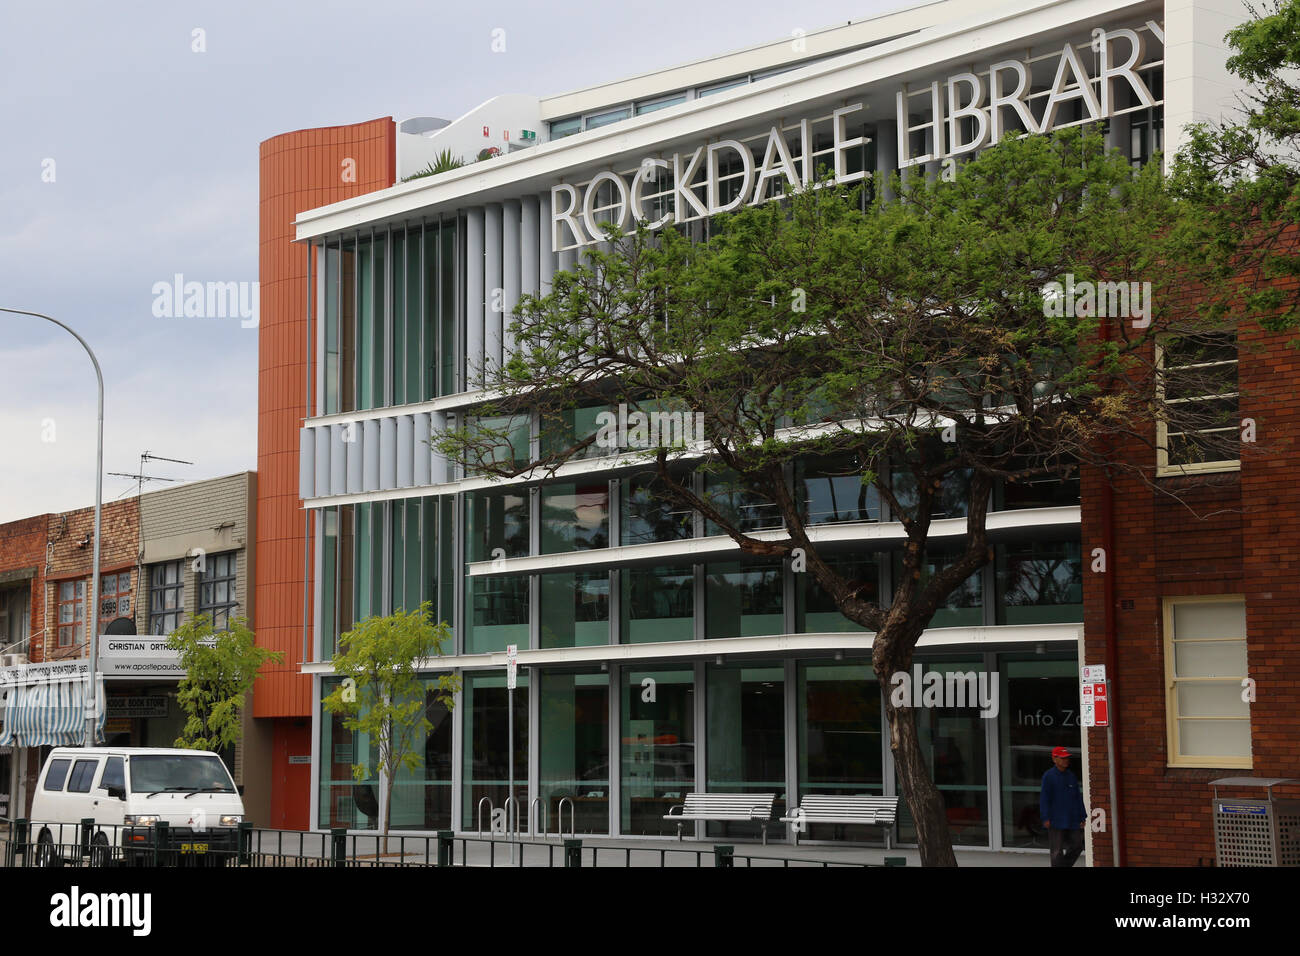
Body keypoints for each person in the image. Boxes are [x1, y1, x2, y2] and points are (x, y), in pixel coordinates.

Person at [1040, 745, 1086, 867]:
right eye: (1062, 758)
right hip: (1055, 819)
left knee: (1077, 846)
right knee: (1056, 851)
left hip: (1072, 818)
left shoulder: (1071, 776)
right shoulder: (1048, 776)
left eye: (1067, 758)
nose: (1066, 760)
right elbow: (1044, 798)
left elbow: (1077, 797)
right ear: (1054, 759)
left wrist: (1082, 816)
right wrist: (1045, 817)